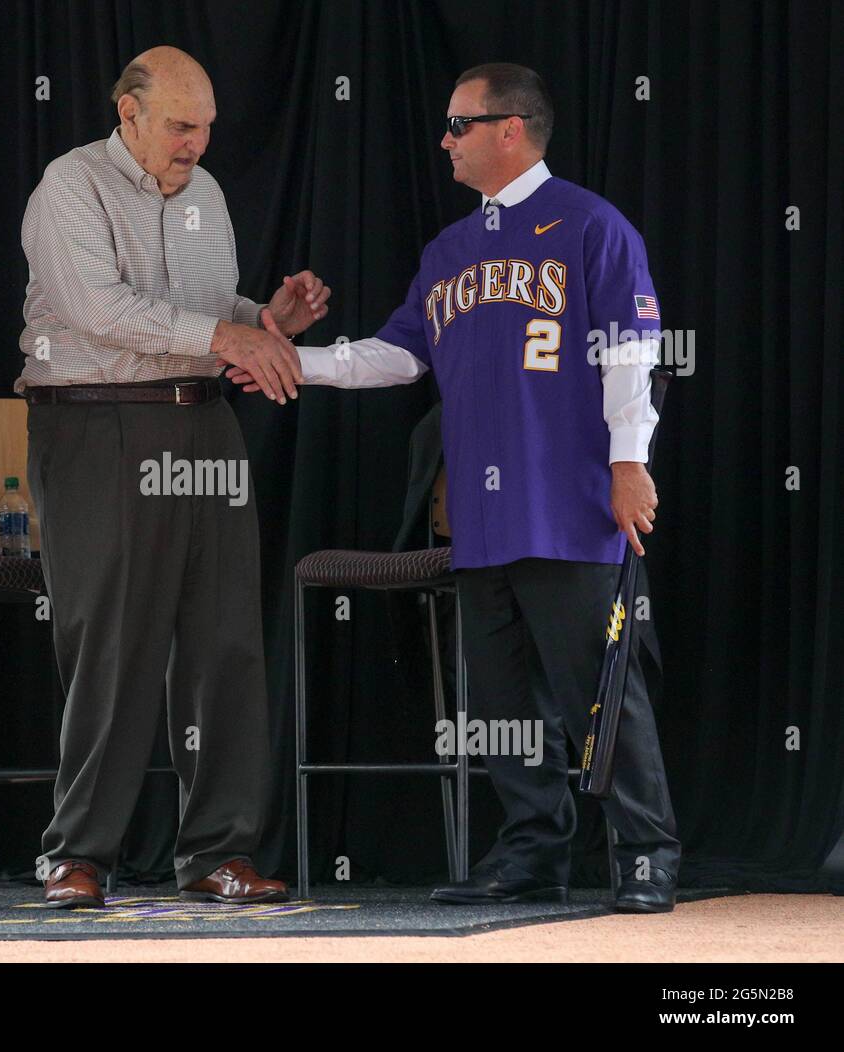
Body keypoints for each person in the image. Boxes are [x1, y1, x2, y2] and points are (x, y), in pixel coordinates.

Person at [226, 63, 681, 913]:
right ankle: (531, 853)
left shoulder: (593, 225)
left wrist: (629, 463)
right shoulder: (448, 251)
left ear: (511, 129)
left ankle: (646, 850)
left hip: (573, 503)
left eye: (459, 125)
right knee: (506, 703)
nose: (445, 140)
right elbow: (398, 356)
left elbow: (629, 350)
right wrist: (298, 362)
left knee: (601, 685)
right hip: (481, 513)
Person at [16, 46, 329, 908]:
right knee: (114, 640)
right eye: (180, 126)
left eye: (206, 129)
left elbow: (204, 308)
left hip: (204, 425)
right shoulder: (70, 186)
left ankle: (219, 852)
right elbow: (101, 311)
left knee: (226, 636)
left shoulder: (208, 196)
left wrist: (263, 316)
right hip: (99, 423)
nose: (196, 144)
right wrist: (231, 339)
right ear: (129, 114)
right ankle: (77, 854)